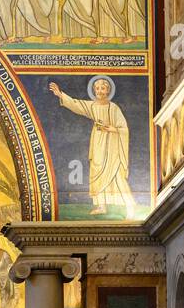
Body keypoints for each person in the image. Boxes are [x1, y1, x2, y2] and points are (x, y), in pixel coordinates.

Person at [48, 77, 136, 217]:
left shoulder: (113, 108)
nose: (100, 91)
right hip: (97, 143)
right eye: (97, 88)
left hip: (113, 146)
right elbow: (77, 105)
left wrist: (112, 128)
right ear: (94, 90)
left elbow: (124, 128)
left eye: (103, 88)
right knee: (96, 171)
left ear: (108, 90)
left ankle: (130, 205)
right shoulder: (93, 106)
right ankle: (101, 205)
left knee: (116, 174)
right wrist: (60, 94)